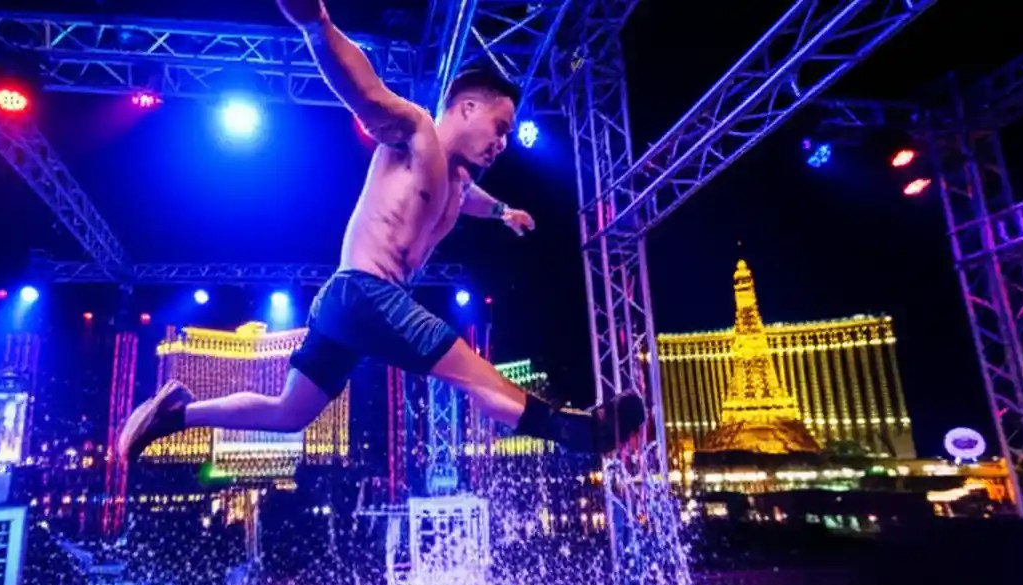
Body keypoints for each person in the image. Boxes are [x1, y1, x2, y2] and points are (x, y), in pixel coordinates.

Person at [116, 0, 645, 462]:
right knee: (473, 373)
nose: (502, 142)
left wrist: (504, 211)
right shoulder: (415, 132)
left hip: (349, 307)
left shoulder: (458, 183)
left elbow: (469, 201)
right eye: (499, 127)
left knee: (289, 412)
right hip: (367, 294)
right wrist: (317, 25)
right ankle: (577, 431)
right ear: (466, 108)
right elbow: (364, 91)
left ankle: (179, 412)